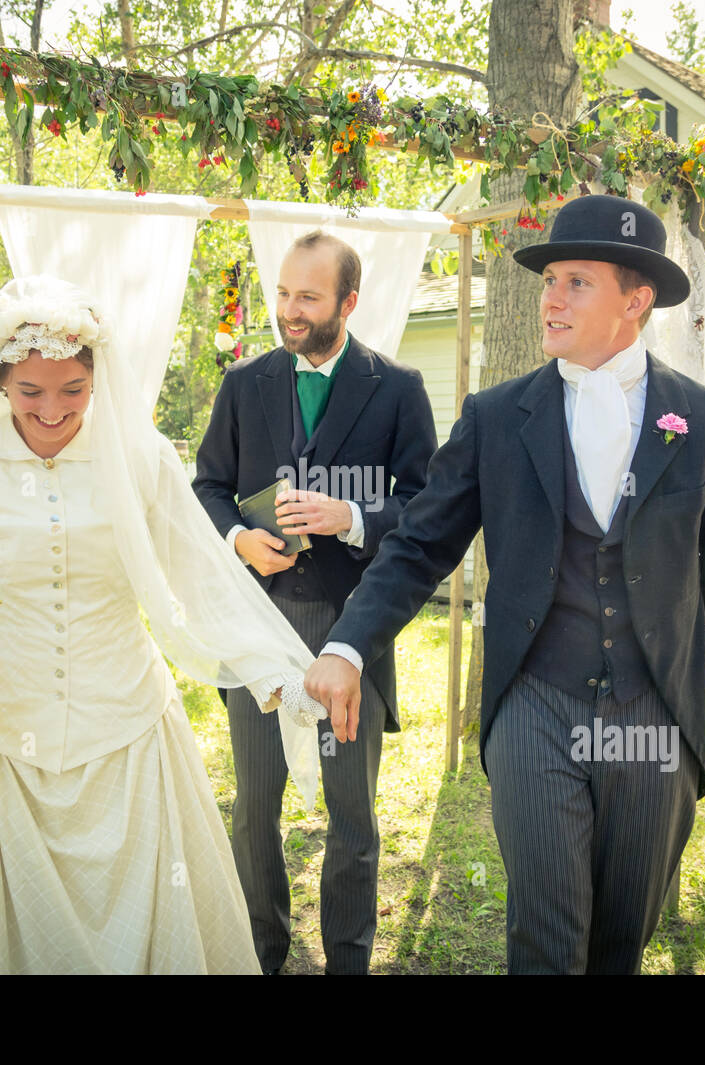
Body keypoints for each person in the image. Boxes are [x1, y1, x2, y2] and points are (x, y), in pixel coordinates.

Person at [304, 195, 705, 974]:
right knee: (546, 939)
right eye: (549, 279)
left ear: (637, 299)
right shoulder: (494, 417)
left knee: (621, 937)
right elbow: (418, 544)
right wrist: (348, 643)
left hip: (654, 712)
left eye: (577, 282)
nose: (550, 298)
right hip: (534, 702)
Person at [0, 274, 327, 974]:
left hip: (126, 730)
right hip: (3, 735)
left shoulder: (142, 459)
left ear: (97, 379)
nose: (52, 410)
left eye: (72, 391)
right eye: (31, 392)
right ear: (0, 382)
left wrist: (282, 677)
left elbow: (202, 577)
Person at [192, 231, 437, 974]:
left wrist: (355, 518)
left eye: (308, 297)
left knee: (351, 814)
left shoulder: (398, 389)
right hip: (259, 622)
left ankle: (348, 962)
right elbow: (206, 484)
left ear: (348, 302)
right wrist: (237, 537)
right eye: (283, 293)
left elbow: (429, 510)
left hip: (351, 625)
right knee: (252, 808)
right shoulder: (244, 382)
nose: (289, 311)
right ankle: (260, 952)